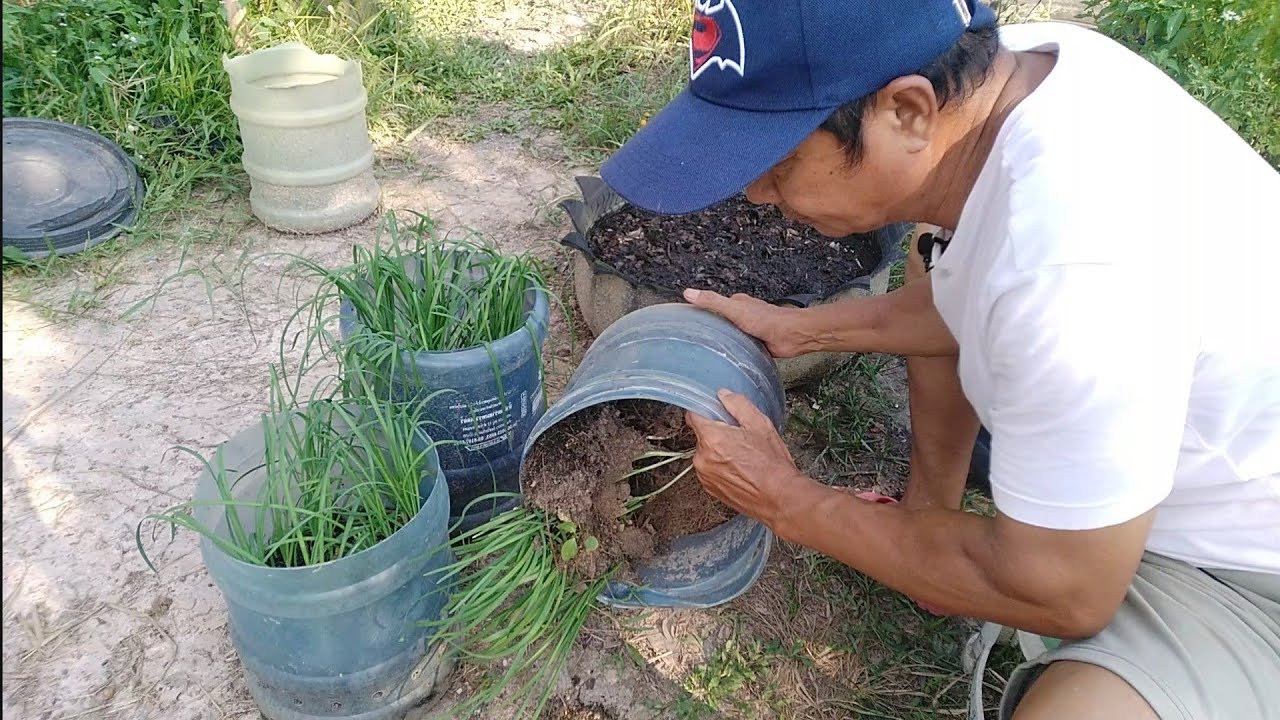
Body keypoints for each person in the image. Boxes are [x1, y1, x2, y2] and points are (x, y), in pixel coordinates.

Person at [598, 1, 1280, 718]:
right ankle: (933, 529)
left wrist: (786, 499)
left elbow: (1063, 588)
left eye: (780, 161)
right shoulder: (1024, 74)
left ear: (909, 111)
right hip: (1157, 480)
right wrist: (801, 330)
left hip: (1242, 572)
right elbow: (973, 286)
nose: (756, 192)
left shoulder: (1074, 271)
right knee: (934, 251)